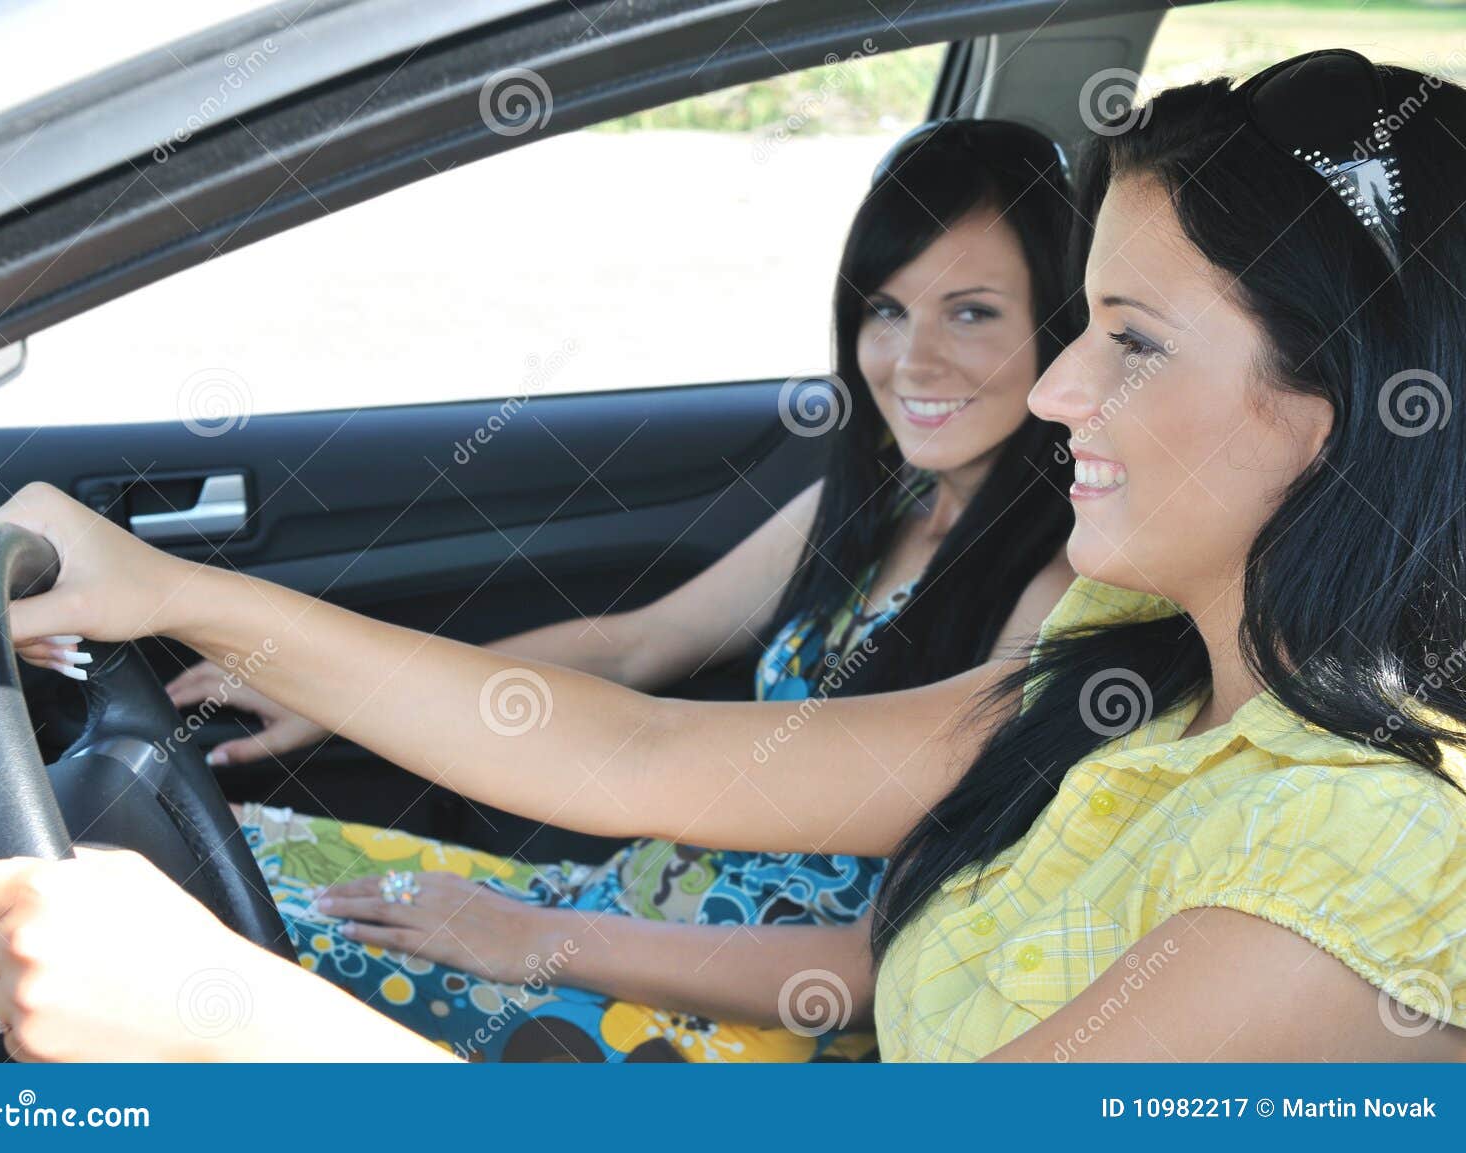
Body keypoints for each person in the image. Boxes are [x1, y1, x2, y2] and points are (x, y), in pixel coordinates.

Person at [0, 51, 1466, 1061]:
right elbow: (640, 745)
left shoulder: (1365, 874)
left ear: (1343, 419)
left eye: (1128, 344)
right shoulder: (1143, 660)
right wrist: (174, 590)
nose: (1057, 391)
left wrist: (229, 1022)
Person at [156, 119, 1080, 1061]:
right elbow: (633, 642)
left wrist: (533, 942)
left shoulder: (1052, 599)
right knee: (224, 857)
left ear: (1062, 329)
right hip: (617, 912)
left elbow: (877, 963)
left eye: (972, 313)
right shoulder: (874, 506)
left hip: (733, 1022)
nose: (912, 359)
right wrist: (333, 688)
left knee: (200, 974)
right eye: (886, 310)